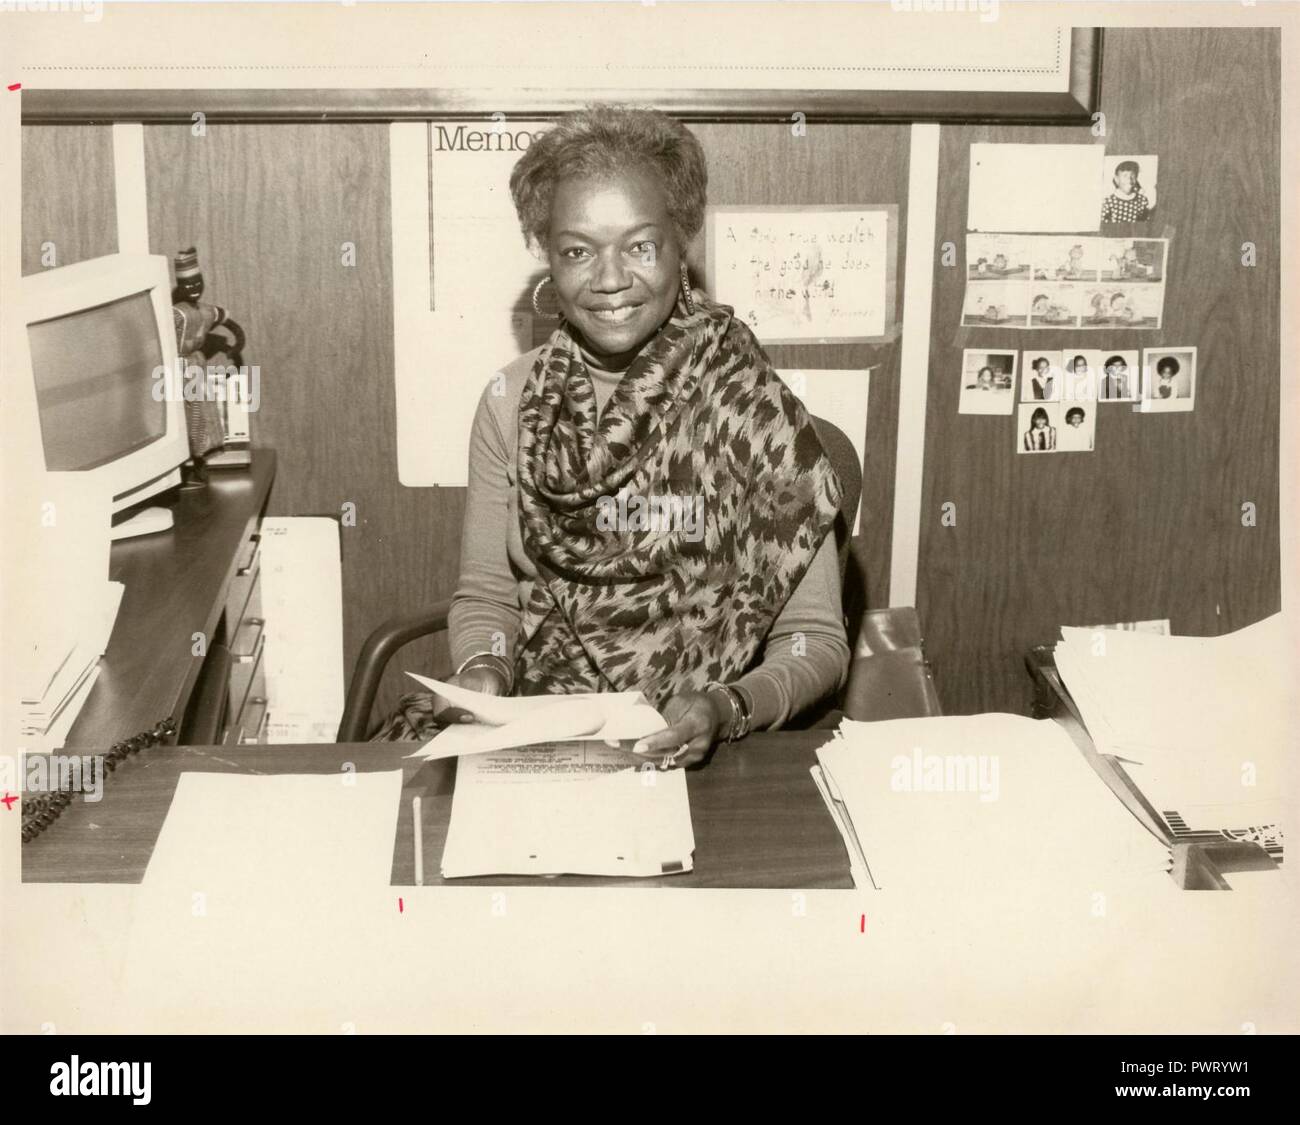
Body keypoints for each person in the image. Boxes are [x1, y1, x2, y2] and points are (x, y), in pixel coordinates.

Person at [375, 105, 849, 770]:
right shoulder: (510, 403)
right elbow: (486, 594)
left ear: (680, 244)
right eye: (577, 250)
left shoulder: (756, 411)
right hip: (541, 734)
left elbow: (815, 640)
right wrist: (486, 668)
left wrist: (729, 706)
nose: (608, 279)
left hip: (703, 744)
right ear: (547, 258)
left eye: (639, 245)